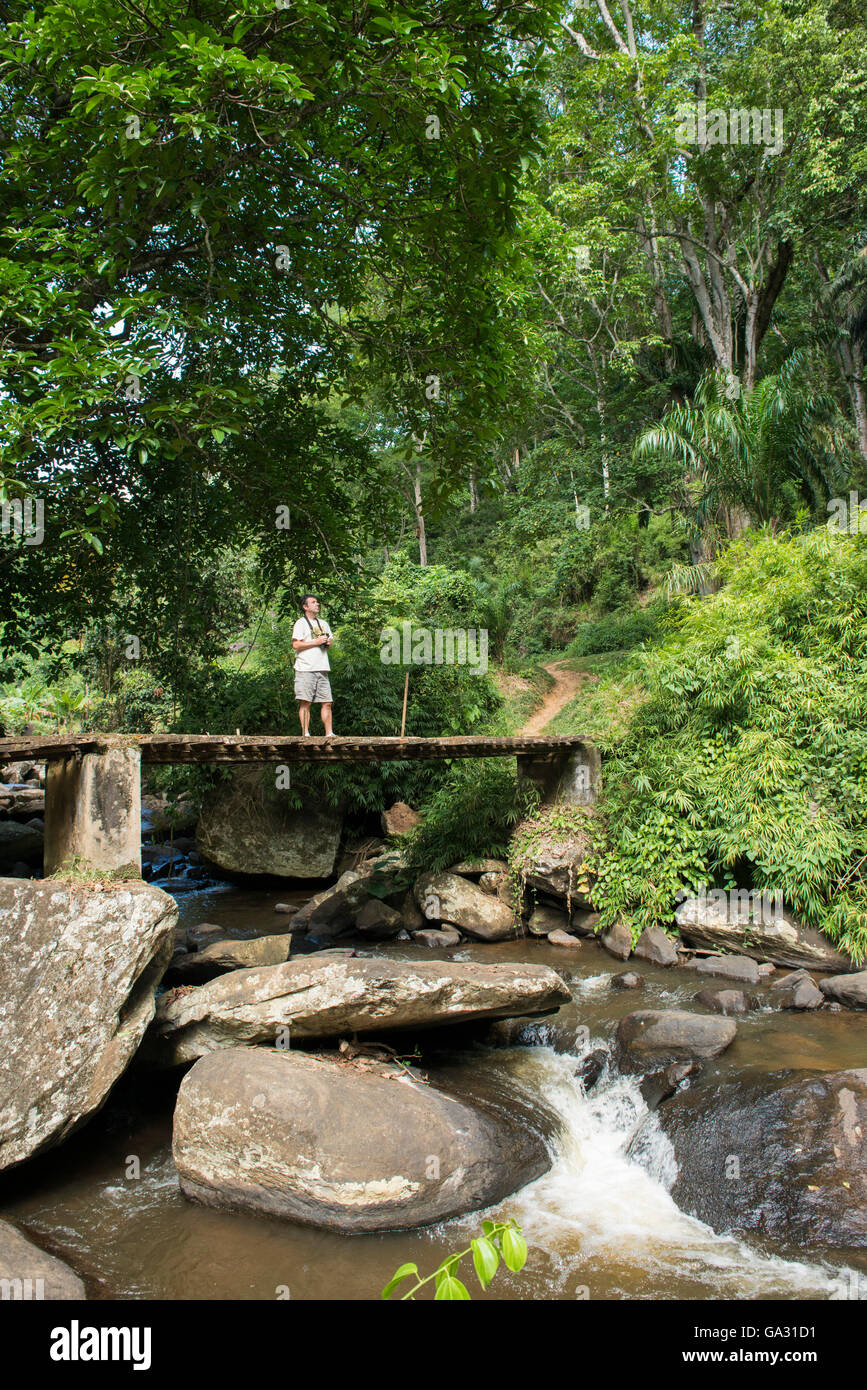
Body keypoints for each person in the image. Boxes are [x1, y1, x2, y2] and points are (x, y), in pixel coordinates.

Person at [292, 595, 334, 736]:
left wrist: (327, 643)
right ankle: (306, 733)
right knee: (306, 702)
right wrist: (315, 642)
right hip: (305, 668)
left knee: (327, 702)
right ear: (305, 607)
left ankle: (329, 733)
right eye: (313, 602)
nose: (317, 604)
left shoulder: (323, 623)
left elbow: (329, 643)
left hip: (322, 668)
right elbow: (296, 644)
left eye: (317, 602)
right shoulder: (300, 623)